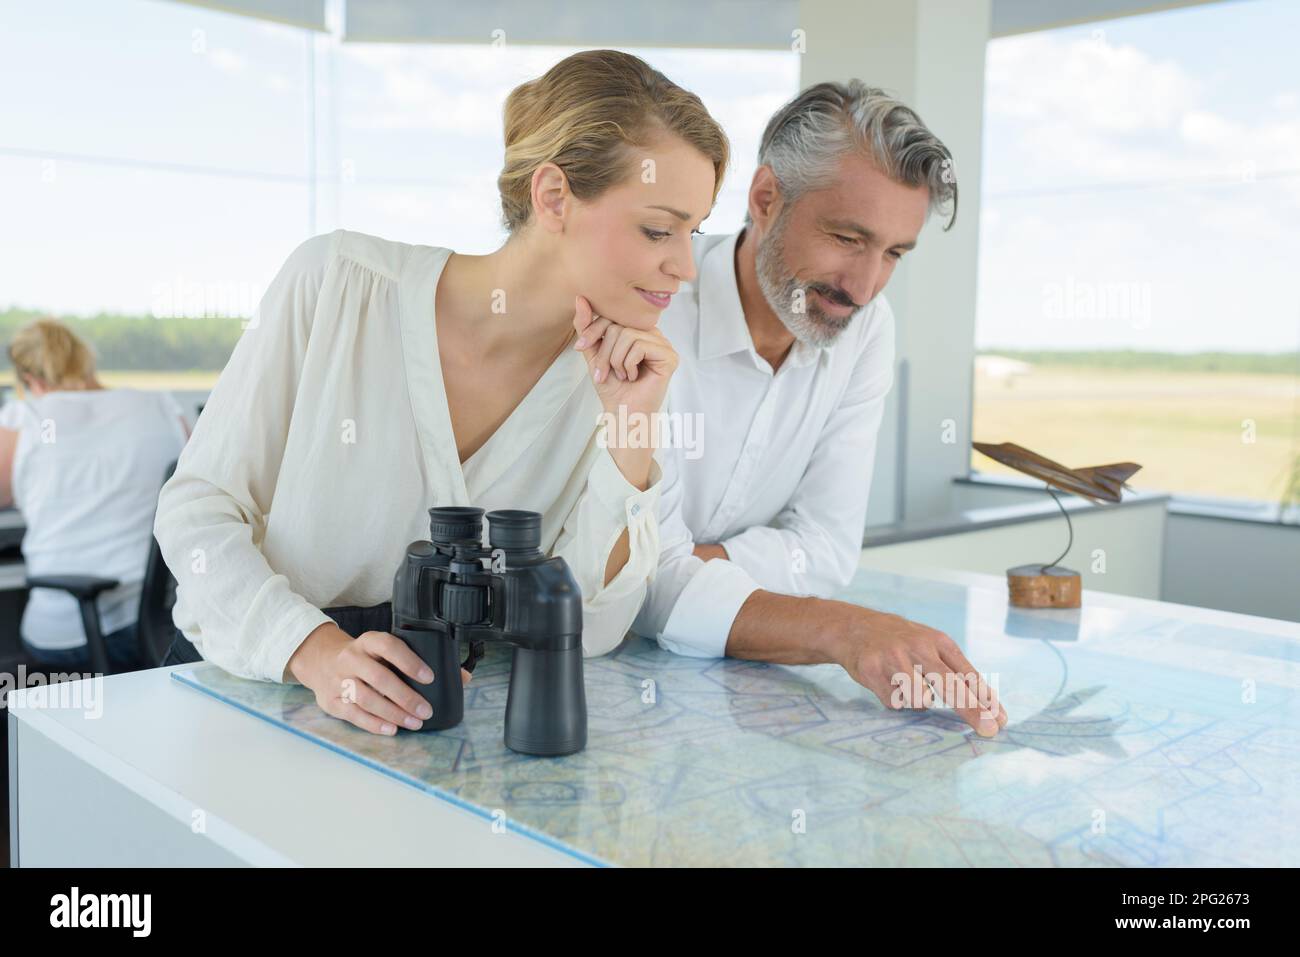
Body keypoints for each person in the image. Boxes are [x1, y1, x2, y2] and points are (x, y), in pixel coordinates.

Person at [153, 50, 729, 738]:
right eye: (659, 230)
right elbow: (196, 513)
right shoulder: (337, 283)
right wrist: (313, 651)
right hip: (250, 701)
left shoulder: (614, 382)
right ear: (553, 198)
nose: (685, 267)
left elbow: (592, 630)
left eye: (693, 234)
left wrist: (630, 430)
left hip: (430, 732)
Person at [632, 81, 1008, 736]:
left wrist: (682, 566)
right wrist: (839, 629)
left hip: (721, 703)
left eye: (893, 253)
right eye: (846, 237)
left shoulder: (866, 328)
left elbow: (827, 551)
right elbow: (632, 581)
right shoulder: (652, 304)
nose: (864, 286)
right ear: (766, 198)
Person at [0, 318, 189, 671]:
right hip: (163, 624)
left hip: (68, 637)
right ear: (85, 360)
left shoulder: (23, 417)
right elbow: (200, 493)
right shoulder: (161, 406)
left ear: (30, 379)